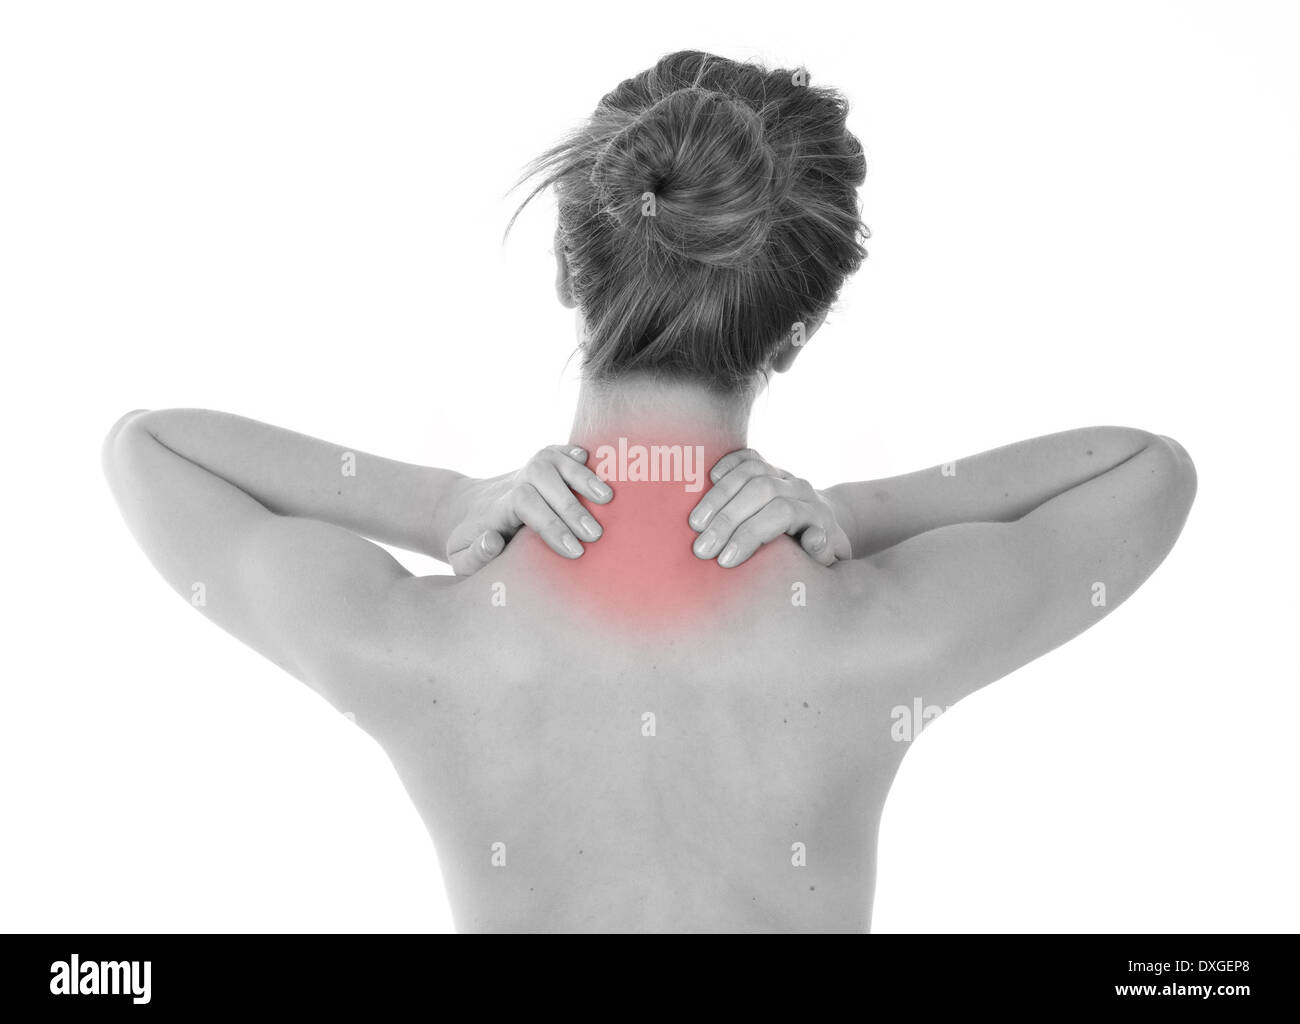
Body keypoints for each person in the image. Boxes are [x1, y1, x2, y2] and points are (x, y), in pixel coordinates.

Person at [103, 50, 1196, 933]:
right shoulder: (873, 632)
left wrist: (438, 506)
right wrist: (854, 516)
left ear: (567, 272)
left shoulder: (422, 644)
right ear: (797, 334)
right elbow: (1148, 471)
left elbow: (147, 449)